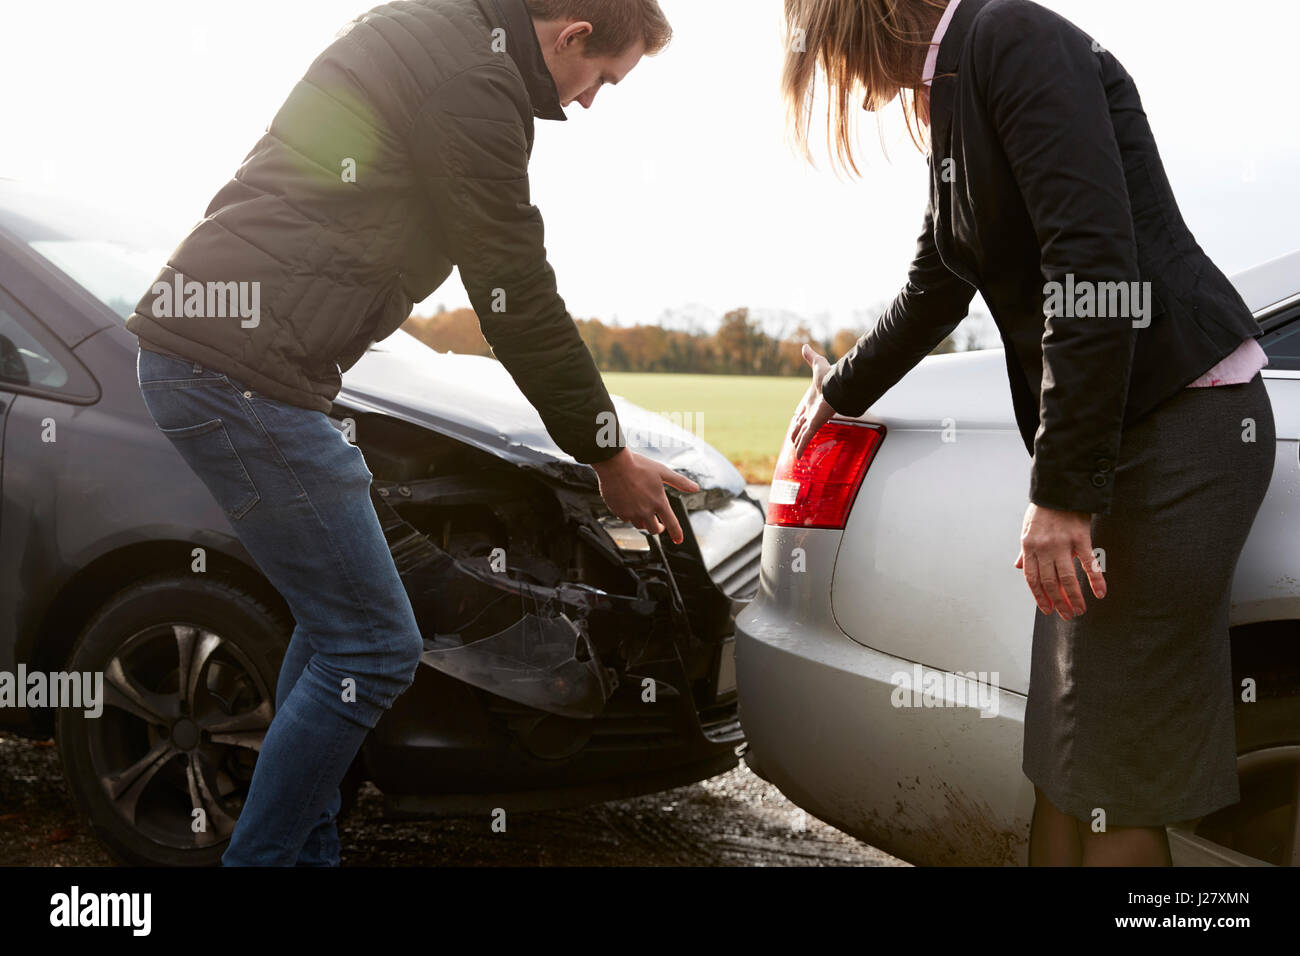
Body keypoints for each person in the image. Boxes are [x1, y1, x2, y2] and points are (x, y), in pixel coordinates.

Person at [126, 0, 696, 866]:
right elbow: (513, 290)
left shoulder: (434, 33)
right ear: (573, 33)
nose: (589, 101)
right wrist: (605, 450)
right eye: (603, 80)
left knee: (337, 629)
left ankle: (302, 854)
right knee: (375, 646)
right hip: (238, 373)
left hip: (243, 363)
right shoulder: (476, 80)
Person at [781, 0, 1274, 866]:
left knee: (1111, 780)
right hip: (1119, 433)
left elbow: (1093, 269)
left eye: (830, 50)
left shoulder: (1011, 38)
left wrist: (1063, 494)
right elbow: (938, 282)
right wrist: (839, 390)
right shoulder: (959, 83)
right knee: (1065, 757)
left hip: (1177, 431)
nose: (842, 80)